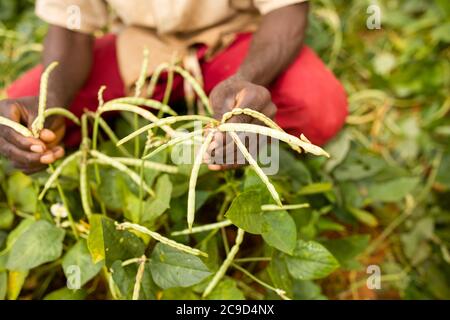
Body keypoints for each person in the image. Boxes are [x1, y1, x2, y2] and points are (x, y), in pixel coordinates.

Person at [0, 0, 348, 174]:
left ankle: (239, 112)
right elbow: (70, 26)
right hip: (138, 45)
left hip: (237, 39)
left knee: (316, 103)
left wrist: (249, 81)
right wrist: (51, 103)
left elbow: (285, 10)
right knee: (22, 119)